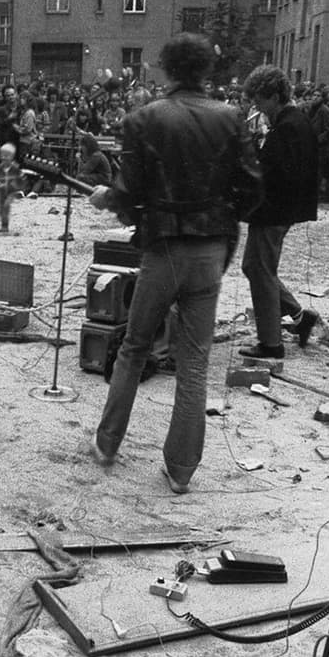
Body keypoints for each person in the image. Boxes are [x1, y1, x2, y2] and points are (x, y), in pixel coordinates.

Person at [87, 34, 263, 495]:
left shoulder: (144, 118)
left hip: (163, 246)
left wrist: (112, 199)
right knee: (194, 362)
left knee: (134, 347)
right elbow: (253, 188)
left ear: (166, 68)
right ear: (207, 70)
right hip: (210, 248)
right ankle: (181, 470)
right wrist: (220, 212)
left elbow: (129, 192)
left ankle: (107, 444)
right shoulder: (230, 118)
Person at [238, 65, 320, 360]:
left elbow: (274, 173)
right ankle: (298, 316)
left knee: (260, 270)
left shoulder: (288, 127)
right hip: (279, 210)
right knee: (255, 267)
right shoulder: (292, 122)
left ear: (273, 95)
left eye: (259, 99)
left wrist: (249, 156)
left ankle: (271, 343)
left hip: (273, 211)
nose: (255, 106)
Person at [0, 142, 21, 233]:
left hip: (11, 192)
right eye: (2, 155)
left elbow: (20, 179)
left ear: (12, 157)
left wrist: (16, 187)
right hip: (2, 191)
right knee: (0, 208)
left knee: (6, 206)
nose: (4, 157)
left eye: (6, 156)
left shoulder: (15, 168)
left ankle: (5, 225)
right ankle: (3, 225)